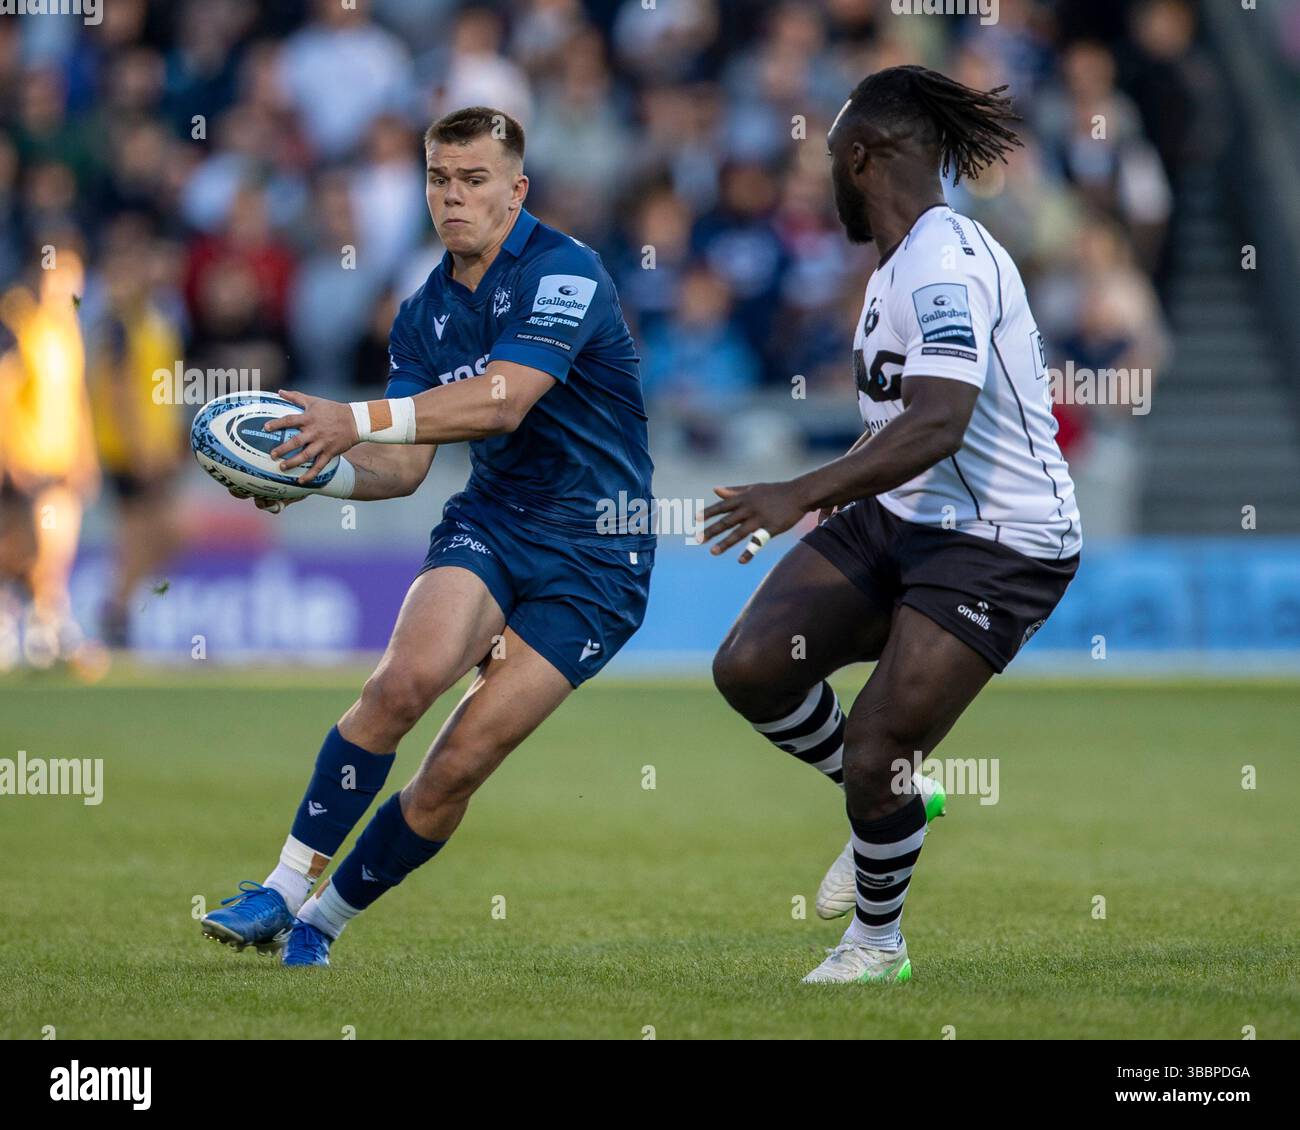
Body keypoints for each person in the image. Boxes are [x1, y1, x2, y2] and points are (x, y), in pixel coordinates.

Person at [200, 106, 655, 967]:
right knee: (400, 684)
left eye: (474, 180)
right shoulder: (422, 311)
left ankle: (320, 923)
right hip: (495, 520)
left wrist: (354, 417)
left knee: (458, 764)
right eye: (439, 179)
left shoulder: (567, 271)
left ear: (515, 189)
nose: (453, 197)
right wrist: (316, 474)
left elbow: (502, 399)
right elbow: (404, 467)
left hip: (601, 552)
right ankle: (282, 886)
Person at [700, 67, 1082, 984]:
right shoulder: (896, 261)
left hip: (1000, 539)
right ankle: (892, 805)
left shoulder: (945, 259)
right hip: (904, 511)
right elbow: (904, 420)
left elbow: (942, 417)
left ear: (861, 158)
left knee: (879, 748)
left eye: (831, 160)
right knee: (751, 667)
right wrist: (846, 488)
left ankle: (878, 944)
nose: (827, 178)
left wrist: (802, 487)